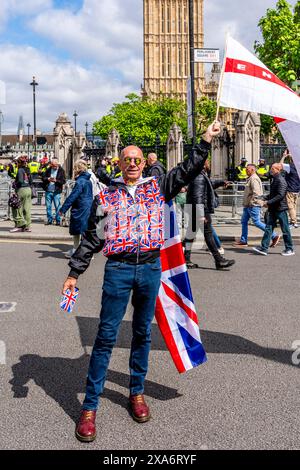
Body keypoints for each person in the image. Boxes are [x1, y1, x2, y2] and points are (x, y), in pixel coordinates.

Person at [61, 121, 220, 443]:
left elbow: (187, 169)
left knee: (142, 333)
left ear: (141, 163)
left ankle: (136, 393)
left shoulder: (157, 187)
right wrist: (74, 273)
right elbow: (92, 238)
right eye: (126, 160)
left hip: (149, 268)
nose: (132, 164)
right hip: (118, 270)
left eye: (136, 160)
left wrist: (205, 140)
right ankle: (89, 409)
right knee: (105, 337)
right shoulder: (106, 196)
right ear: (118, 163)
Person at [183, 159, 235, 270]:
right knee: (208, 234)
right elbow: (198, 196)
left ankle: (185, 259)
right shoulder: (199, 176)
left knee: (190, 235)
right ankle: (219, 260)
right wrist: (201, 214)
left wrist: (221, 182)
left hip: (194, 209)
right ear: (203, 165)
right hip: (200, 209)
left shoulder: (198, 175)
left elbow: (209, 184)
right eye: (207, 162)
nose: (209, 164)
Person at [253, 163, 294, 256]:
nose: (271, 170)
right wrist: (264, 197)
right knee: (269, 228)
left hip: (280, 209)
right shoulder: (275, 179)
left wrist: (268, 202)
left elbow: (280, 195)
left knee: (285, 229)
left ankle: (290, 248)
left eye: (272, 168)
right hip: (274, 209)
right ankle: (264, 248)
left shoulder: (280, 180)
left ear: (277, 170)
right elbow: (274, 194)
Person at [234, 164, 280, 247]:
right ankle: (243, 240)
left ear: (252, 170)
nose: (246, 171)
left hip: (253, 205)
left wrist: (255, 203)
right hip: (247, 205)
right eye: (246, 169)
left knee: (257, 222)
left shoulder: (254, 179)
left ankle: (274, 235)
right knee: (244, 222)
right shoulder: (250, 178)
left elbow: (257, 193)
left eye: (248, 169)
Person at [59, 160, 93, 258]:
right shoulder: (88, 180)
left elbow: (73, 196)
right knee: (83, 230)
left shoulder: (80, 181)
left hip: (80, 208)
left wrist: (63, 209)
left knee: (78, 230)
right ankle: (81, 250)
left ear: (77, 169)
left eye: (74, 168)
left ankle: (78, 251)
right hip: (87, 206)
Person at [9, 156, 32, 233]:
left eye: (16, 162)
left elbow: (20, 181)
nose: (15, 164)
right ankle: (27, 226)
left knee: (16, 207)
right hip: (28, 189)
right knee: (27, 208)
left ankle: (19, 225)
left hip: (21, 189)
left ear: (19, 163)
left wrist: (15, 184)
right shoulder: (27, 170)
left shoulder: (20, 170)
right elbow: (31, 181)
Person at [42, 158, 66, 225]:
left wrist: (56, 181)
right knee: (48, 206)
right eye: (52, 165)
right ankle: (50, 220)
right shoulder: (48, 169)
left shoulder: (61, 171)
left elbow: (63, 181)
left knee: (57, 206)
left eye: (55, 166)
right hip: (48, 190)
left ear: (58, 164)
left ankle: (58, 220)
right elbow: (43, 178)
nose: (54, 167)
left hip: (57, 191)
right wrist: (48, 179)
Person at [279, 150, 300, 229]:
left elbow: (280, 165)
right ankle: (293, 221)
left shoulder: (290, 167)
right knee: (293, 207)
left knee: (290, 207)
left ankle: (294, 222)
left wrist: (284, 156)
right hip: (297, 189)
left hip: (290, 189)